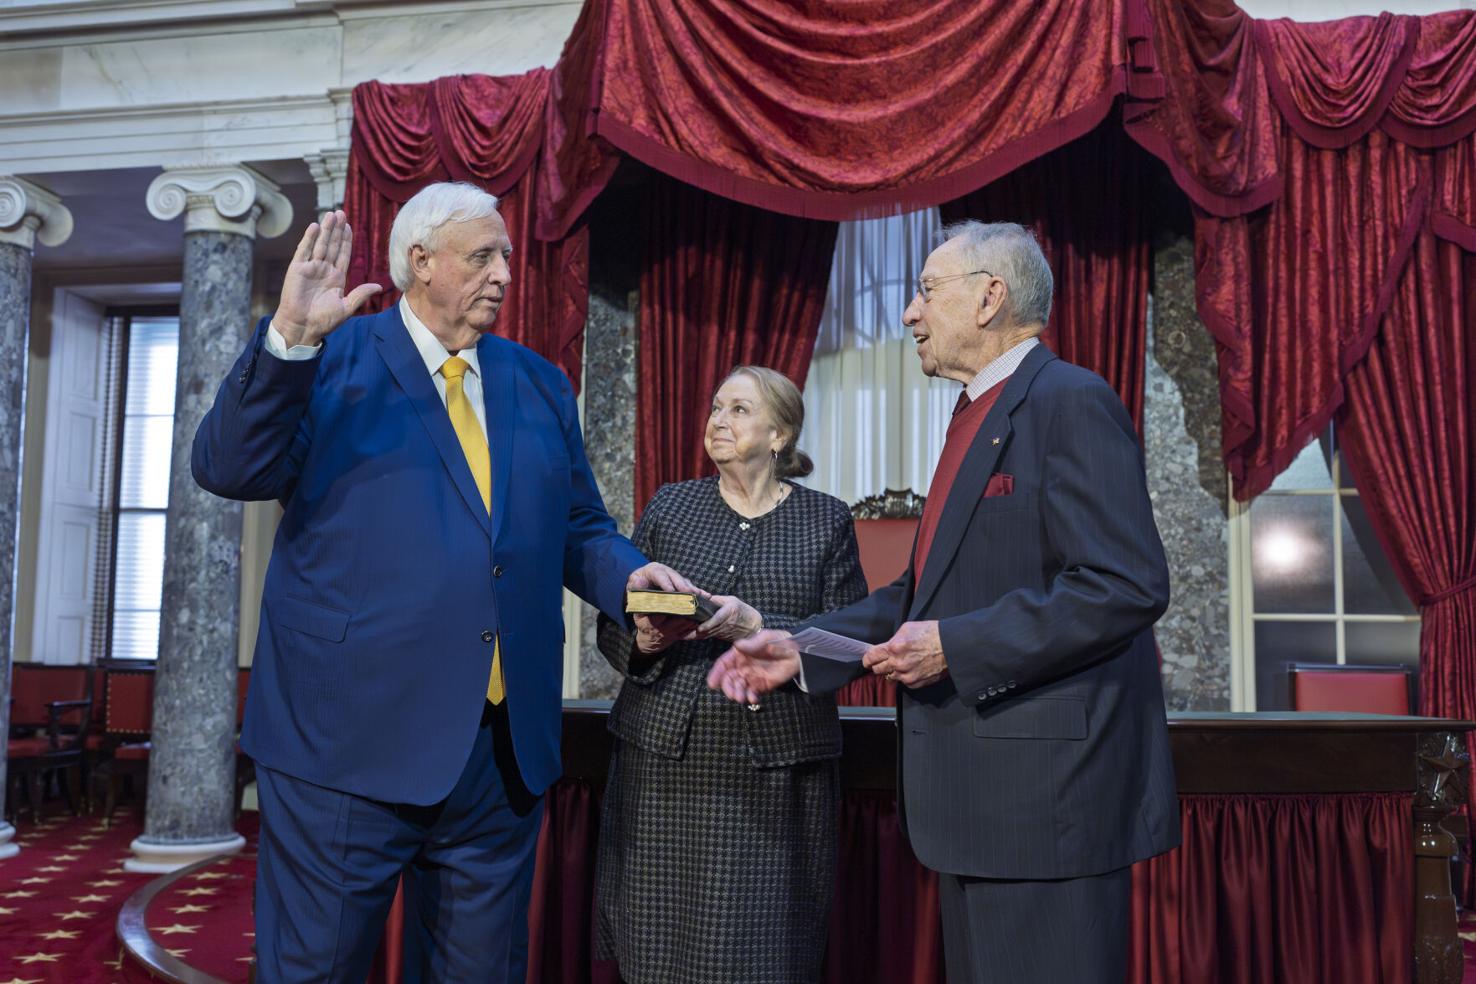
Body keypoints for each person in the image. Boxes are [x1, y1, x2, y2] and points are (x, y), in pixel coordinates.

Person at [192, 182, 690, 983]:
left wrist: (634, 582)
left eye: (506, 256)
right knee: (314, 970)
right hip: (342, 749)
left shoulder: (538, 384)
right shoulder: (329, 357)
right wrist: (287, 337)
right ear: (420, 263)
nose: (504, 273)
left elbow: (578, 528)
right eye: (483, 255)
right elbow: (227, 467)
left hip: (497, 757)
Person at [709, 222, 1179, 984]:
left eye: (927, 291)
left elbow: (1124, 584)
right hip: (983, 808)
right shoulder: (976, 414)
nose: (909, 314)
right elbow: (918, 595)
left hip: (1049, 811)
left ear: (989, 297)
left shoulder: (1070, 401)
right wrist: (802, 647)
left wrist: (957, 648)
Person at [595, 365, 868, 983]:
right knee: (657, 955)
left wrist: (754, 626)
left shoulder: (826, 521)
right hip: (664, 772)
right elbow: (615, 622)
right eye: (716, 408)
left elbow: (850, 645)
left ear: (781, 433)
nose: (718, 420)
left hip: (773, 781)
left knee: (763, 958)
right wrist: (642, 637)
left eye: (739, 409)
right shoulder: (673, 504)